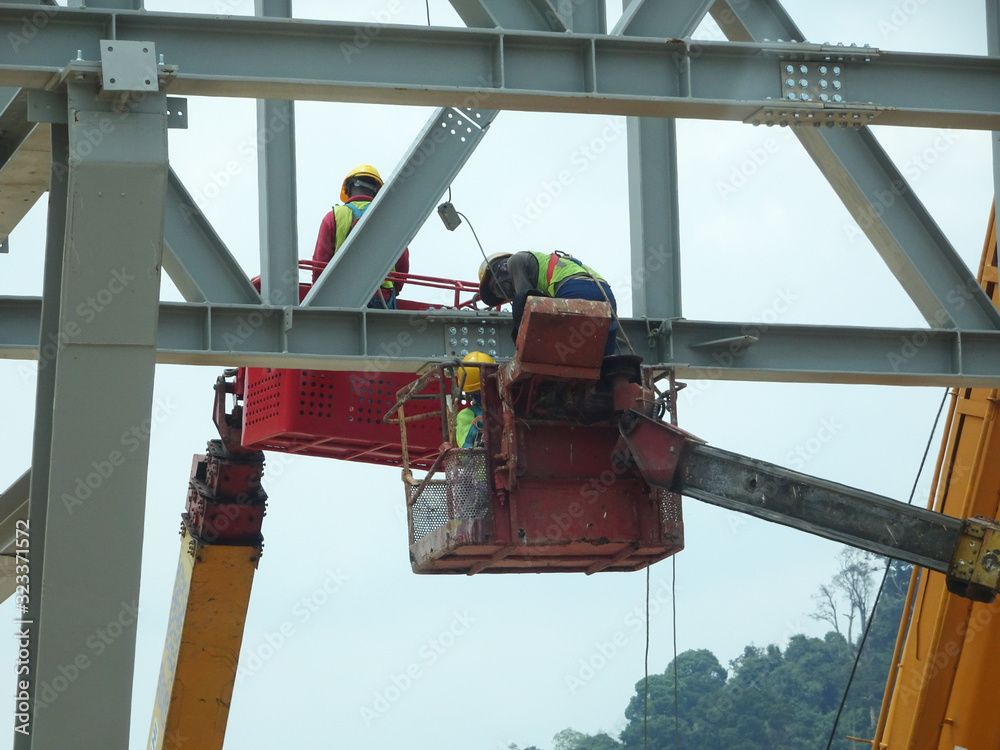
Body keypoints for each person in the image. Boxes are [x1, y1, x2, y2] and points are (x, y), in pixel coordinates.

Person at [478, 251, 619, 356]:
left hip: (574, 289)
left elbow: (525, 302)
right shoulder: (541, 270)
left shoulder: (515, 261)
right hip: (605, 294)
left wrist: (519, 346)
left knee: (561, 354)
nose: (500, 293)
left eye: (494, 287)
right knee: (605, 359)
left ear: (498, 269)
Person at [311, 164, 409, 309]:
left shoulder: (333, 217)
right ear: (377, 191)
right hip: (381, 297)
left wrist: (317, 295)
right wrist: (393, 292)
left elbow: (320, 263)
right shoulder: (389, 219)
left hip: (340, 296)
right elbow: (402, 263)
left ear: (348, 189)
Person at [452, 352, 493, 519]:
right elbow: (466, 448)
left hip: (500, 475)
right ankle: (463, 526)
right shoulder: (466, 416)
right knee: (470, 514)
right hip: (481, 480)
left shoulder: (506, 407)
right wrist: (483, 423)